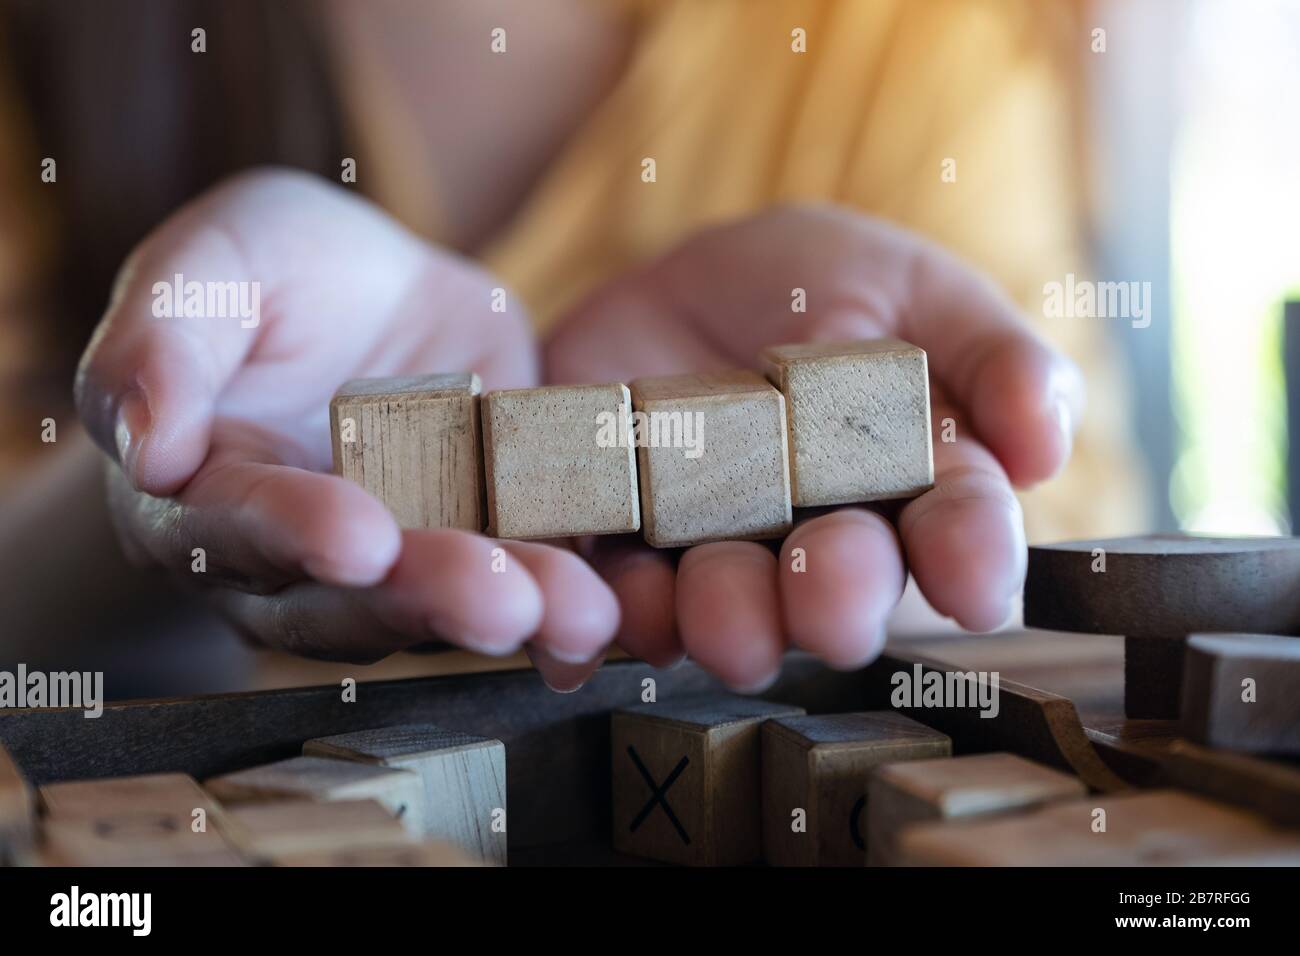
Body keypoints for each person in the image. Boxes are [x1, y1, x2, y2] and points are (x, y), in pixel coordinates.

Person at [0, 0, 1144, 695]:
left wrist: (866, 542)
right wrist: (143, 502)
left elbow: (1063, 593)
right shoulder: (50, 51)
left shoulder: (909, 48)